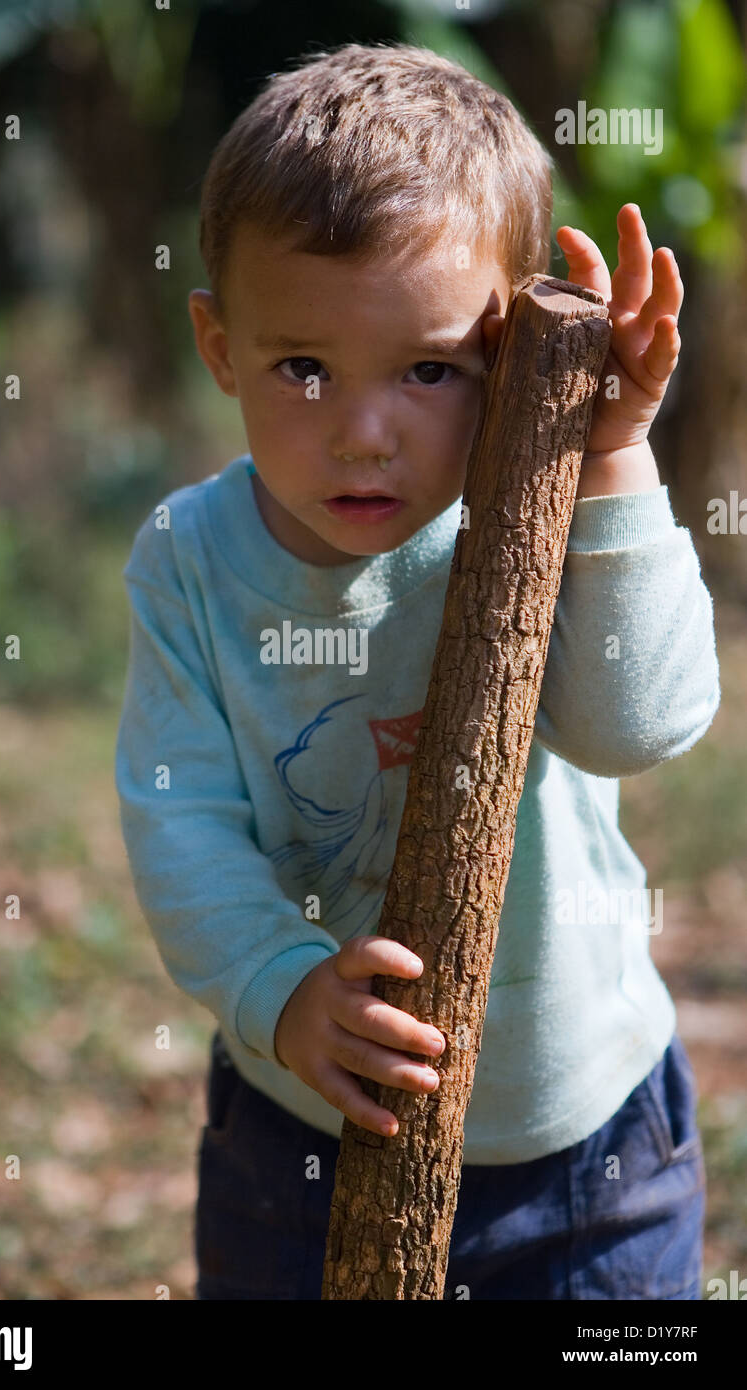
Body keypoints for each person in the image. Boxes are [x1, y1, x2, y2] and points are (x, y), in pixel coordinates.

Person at [114, 42, 719, 1300]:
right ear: (219, 346)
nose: (363, 429)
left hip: (581, 1154)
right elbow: (181, 824)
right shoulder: (190, 560)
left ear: (505, 354)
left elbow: (638, 723)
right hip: (299, 1129)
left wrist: (605, 462)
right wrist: (281, 993)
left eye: (429, 369)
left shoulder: (527, 517)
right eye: (303, 367)